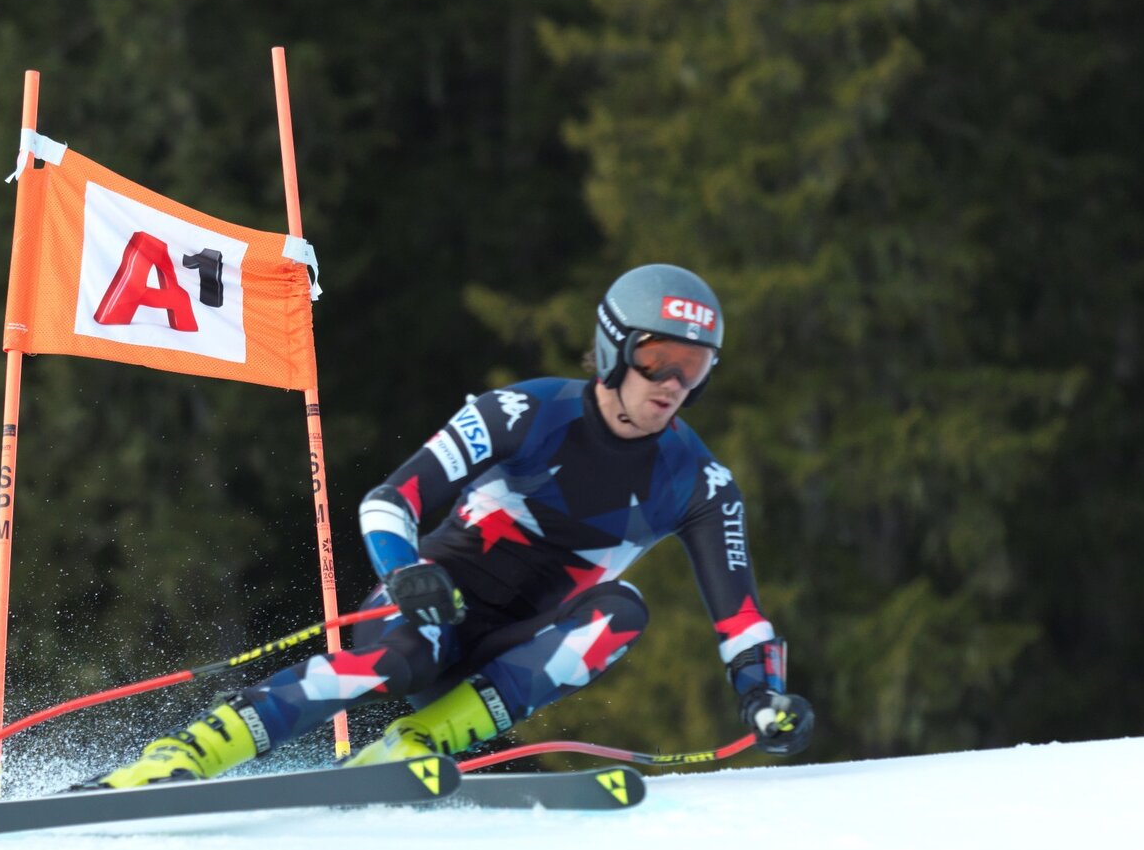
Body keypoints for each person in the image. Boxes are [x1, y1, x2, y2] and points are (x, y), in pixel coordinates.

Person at [82, 263, 814, 789]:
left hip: (508, 650)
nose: (672, 386)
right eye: (659, 360)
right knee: (403, 651)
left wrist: (764, 694)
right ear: (618, 348)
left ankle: (415, 745)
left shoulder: (700, 480)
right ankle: (185, 755)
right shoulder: (524, 413)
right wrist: (408, 571)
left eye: (694, 368)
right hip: (430, 608)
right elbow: (387, 500)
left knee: (623, 613)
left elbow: (741, 617)